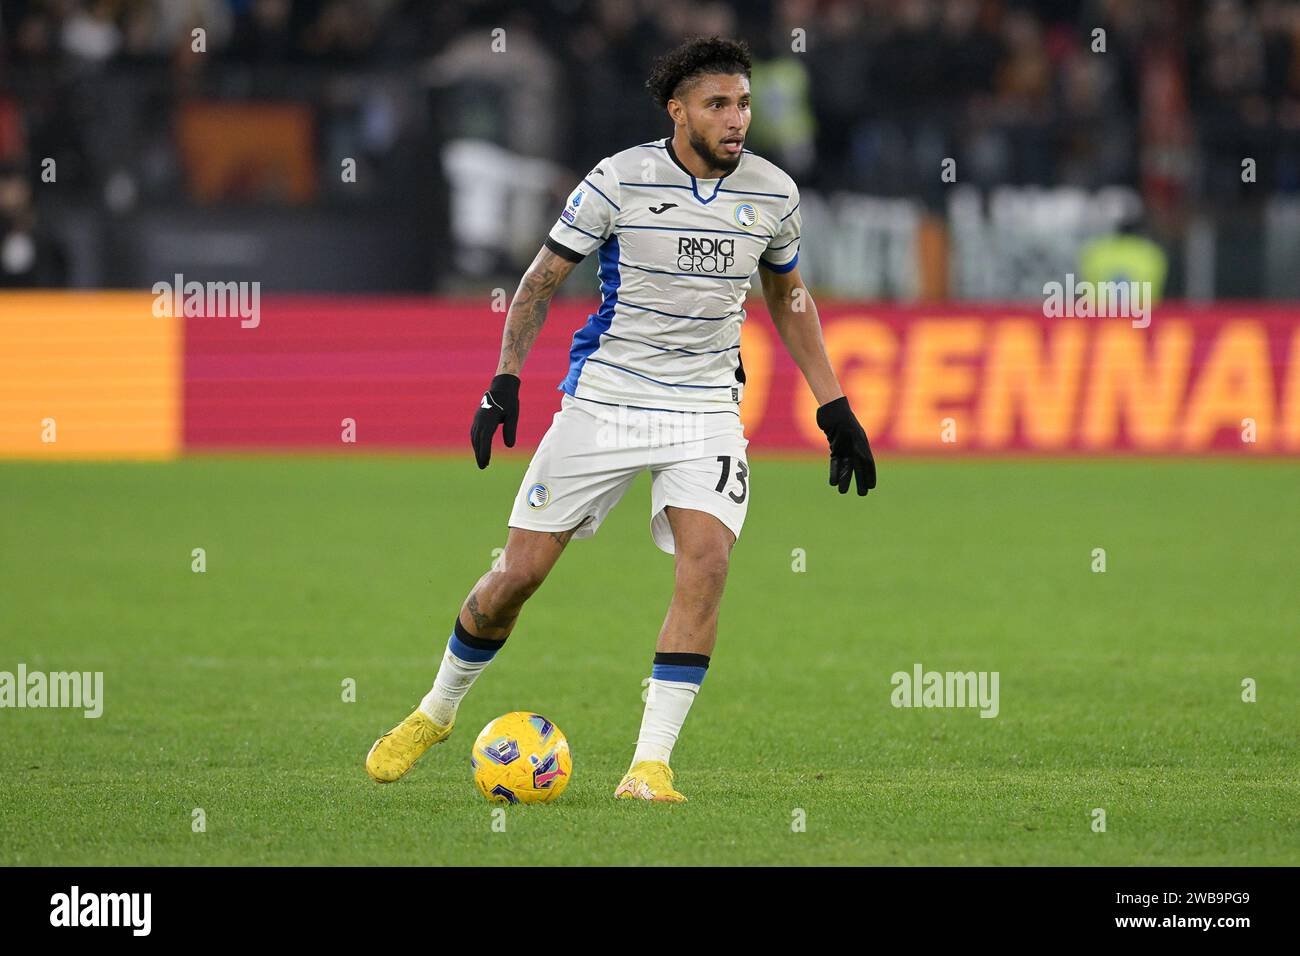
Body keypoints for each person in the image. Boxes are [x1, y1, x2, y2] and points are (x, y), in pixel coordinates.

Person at [365, 36, 876, 802]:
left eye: (742, 103)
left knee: (706, 565)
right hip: (605, 398)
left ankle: (649, 766)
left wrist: (832, 403)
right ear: (679, 111)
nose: (736, 120)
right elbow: (540, 281)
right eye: (717, 105)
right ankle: (436, 710)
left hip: (704, 407)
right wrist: (503, 381)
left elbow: (788, 296)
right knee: (517, 578)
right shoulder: (619, 179)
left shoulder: (773, 193)